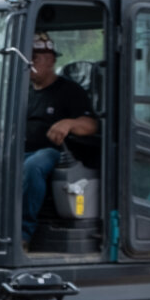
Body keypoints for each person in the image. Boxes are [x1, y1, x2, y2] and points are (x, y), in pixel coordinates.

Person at [21, 33, 97, 245]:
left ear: (52, 59)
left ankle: (22, 233)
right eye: (28, 57)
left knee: (33, 166)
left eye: (36, 57)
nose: (31, 62)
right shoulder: (22, 93)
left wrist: (70, 123)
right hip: (21, 151)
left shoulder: (69, 91)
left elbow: (91, 125)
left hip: (54, 152)